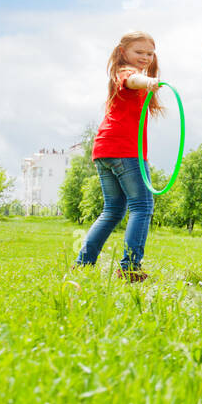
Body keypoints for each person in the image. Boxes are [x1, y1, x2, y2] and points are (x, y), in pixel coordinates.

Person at [73, 31, 164, 280]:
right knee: (142, 205)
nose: (145, 57)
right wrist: (148, 82)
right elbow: (132, 80)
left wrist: (147, 82)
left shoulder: (127, 75)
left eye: (149, 53)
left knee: (113, 210)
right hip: (124, 150)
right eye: (139, 52)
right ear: (124, 52)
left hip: (105, 149)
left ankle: (83, 264)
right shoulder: (125, 72)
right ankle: (130, 268)